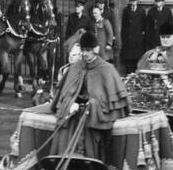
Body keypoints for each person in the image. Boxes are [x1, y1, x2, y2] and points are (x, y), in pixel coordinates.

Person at [50, 30, 130, 159]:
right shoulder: (75, 67)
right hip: (74, 112)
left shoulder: (107, 69)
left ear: (96, 49)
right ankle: (63, 160)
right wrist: (70, 103)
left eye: (88, 50)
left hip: (93, 115)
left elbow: (108, 102)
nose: (85, 53)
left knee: (89, 127)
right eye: (83, 50)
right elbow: (65, 93)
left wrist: (92, 105)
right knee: (64, 127)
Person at [120, 0, 147, 73]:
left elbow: (144, 26)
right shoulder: (126, 11)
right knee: (128, 61)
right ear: (130, 1)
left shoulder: (141, 11)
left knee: (137, 60)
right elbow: (123, 26)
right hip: (128, 40)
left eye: (135, 0)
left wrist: (142, 37)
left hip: (137, 41)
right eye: (132, 0)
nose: (133, 2)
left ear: (137, 1)